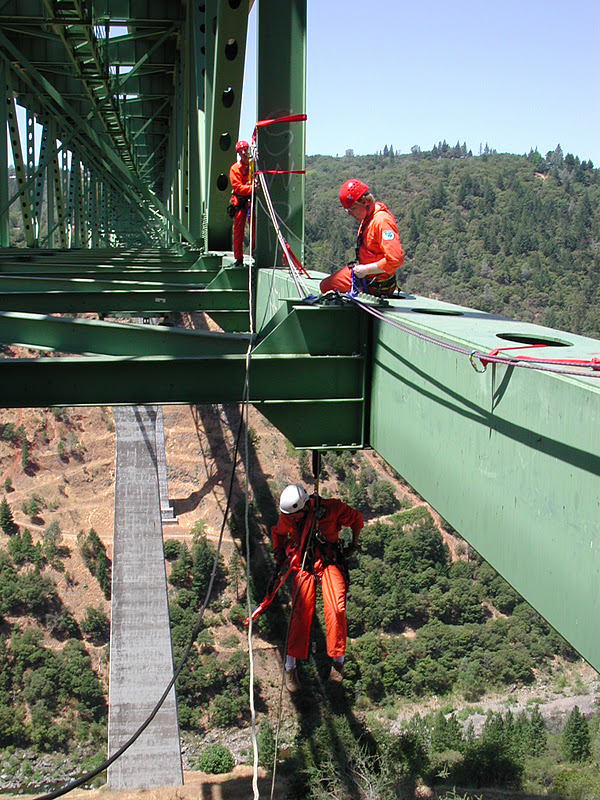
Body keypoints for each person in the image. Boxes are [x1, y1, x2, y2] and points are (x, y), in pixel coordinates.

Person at [271, 483, 364, 693]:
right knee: (300, 613)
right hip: (304, 561)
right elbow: (278, 533)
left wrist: (354, 544)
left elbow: (357, 520)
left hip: (329, 559)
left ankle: (338, 661)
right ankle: (290, 667)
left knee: (336, 608)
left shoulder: (330, 509)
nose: (292, 520)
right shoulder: (289, 515)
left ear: (304, 508)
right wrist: (279, 553)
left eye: (295, 516)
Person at [320, 179, 404, 297]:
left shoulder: (382, 222)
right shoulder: (368, 218)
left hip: (375, 283)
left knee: (325, 287)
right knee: (324, 286)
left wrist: (366, 270)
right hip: (365, 277)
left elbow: (395, 260)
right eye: (347, 210)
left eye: (352, 209)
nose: (350, 214)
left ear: (366, 202)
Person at [228, 140, 255, 267]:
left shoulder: (253, 165)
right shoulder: (235, 169)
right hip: (240, 203)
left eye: (245, 149)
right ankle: (238, 259)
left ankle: (255, 253)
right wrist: (253, 188)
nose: (244, 152)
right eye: (241, 151)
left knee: (254, 229)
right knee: (238, 231)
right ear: (238, 153)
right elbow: (238, 187)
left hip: (251, 202)